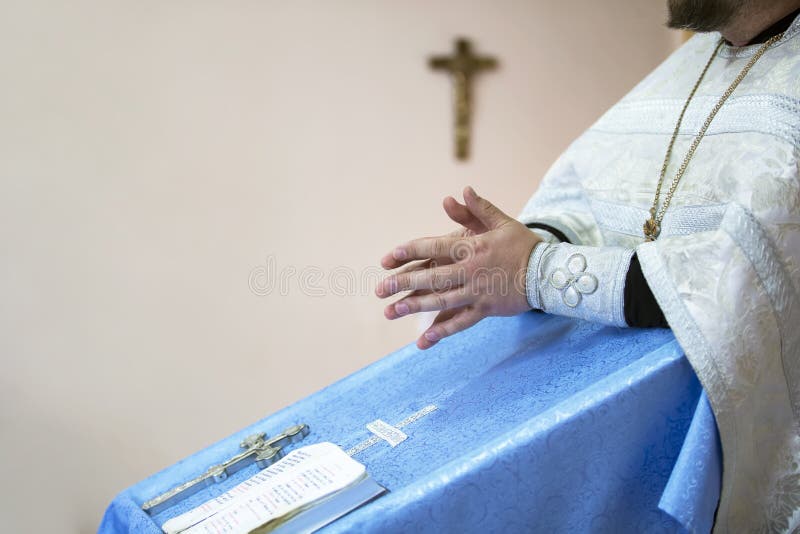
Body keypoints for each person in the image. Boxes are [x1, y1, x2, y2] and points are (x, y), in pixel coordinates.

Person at [375, 1, 800, 531]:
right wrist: (510, 251)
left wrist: (538, 272)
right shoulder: (690, 64)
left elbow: (755, 277)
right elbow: (593, 194)